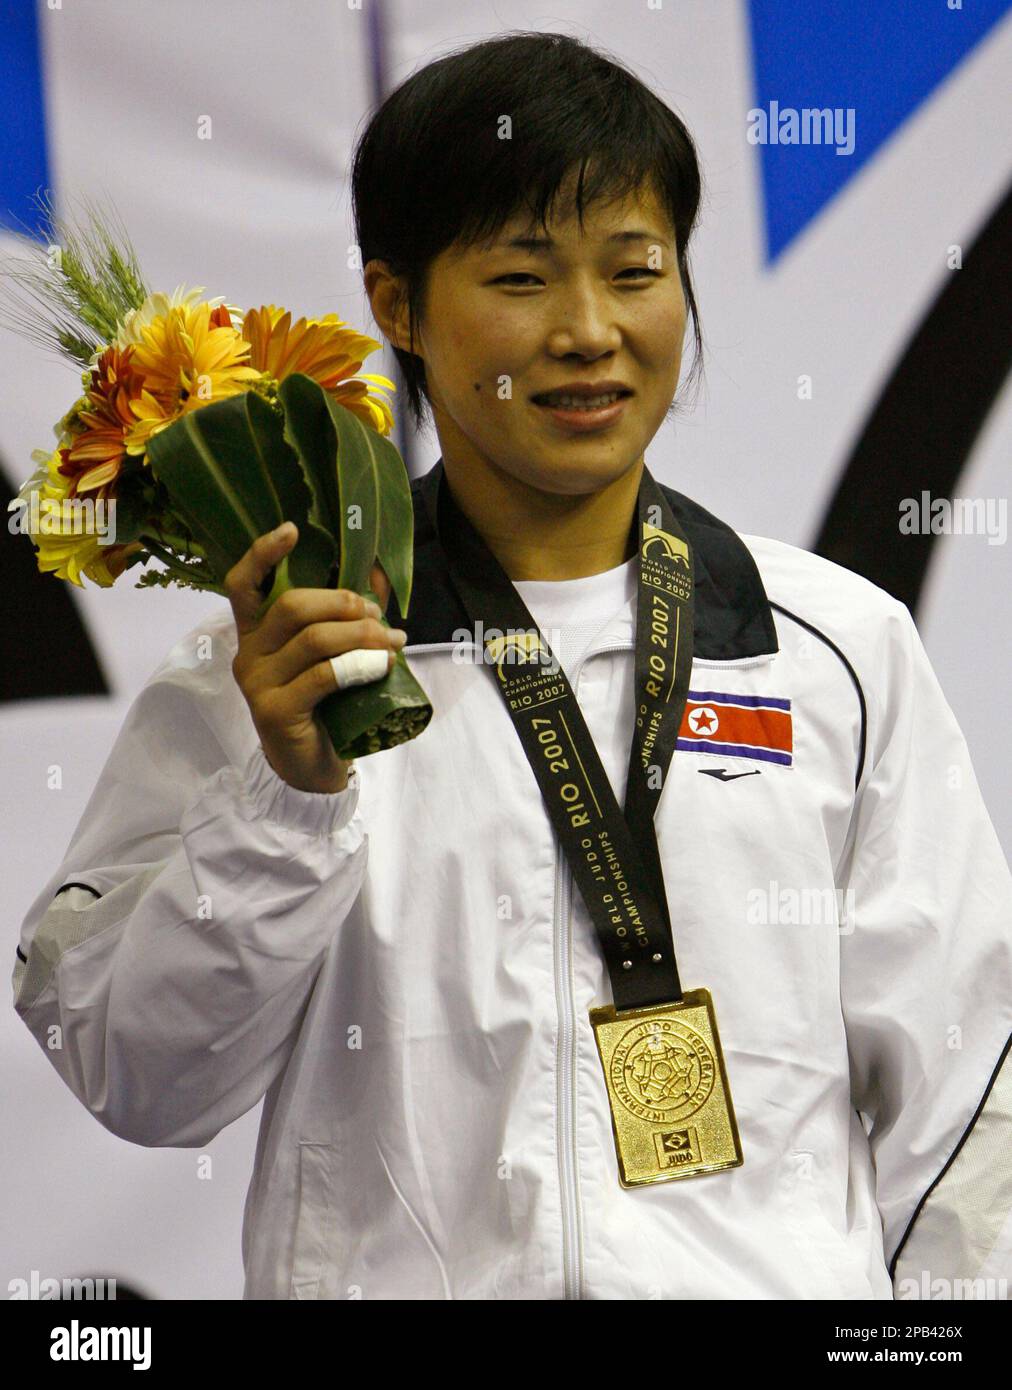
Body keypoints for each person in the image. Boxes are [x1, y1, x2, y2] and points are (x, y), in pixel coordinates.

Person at [12, 31, 1011, 1301]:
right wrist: (287, 800)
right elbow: (141, 1080)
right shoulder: (273, 668)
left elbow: (967, 1103)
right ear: (397, 305)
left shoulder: (830, 648)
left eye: (636, 269)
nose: (590, 332)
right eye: (523, 277)